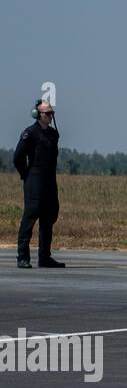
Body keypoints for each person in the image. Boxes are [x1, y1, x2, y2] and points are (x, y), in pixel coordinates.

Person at [14, 100, 63, 269]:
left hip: (49, 181)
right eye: (47, 113)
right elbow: (18, 157)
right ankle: (22, 257)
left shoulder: (53, 134)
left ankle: (45, 257)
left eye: (51, 113)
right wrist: (25, 175)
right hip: (34, 180)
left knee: (48, 219)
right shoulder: (29, 133)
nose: (50, 116)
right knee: (30, 218)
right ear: (37, 114)